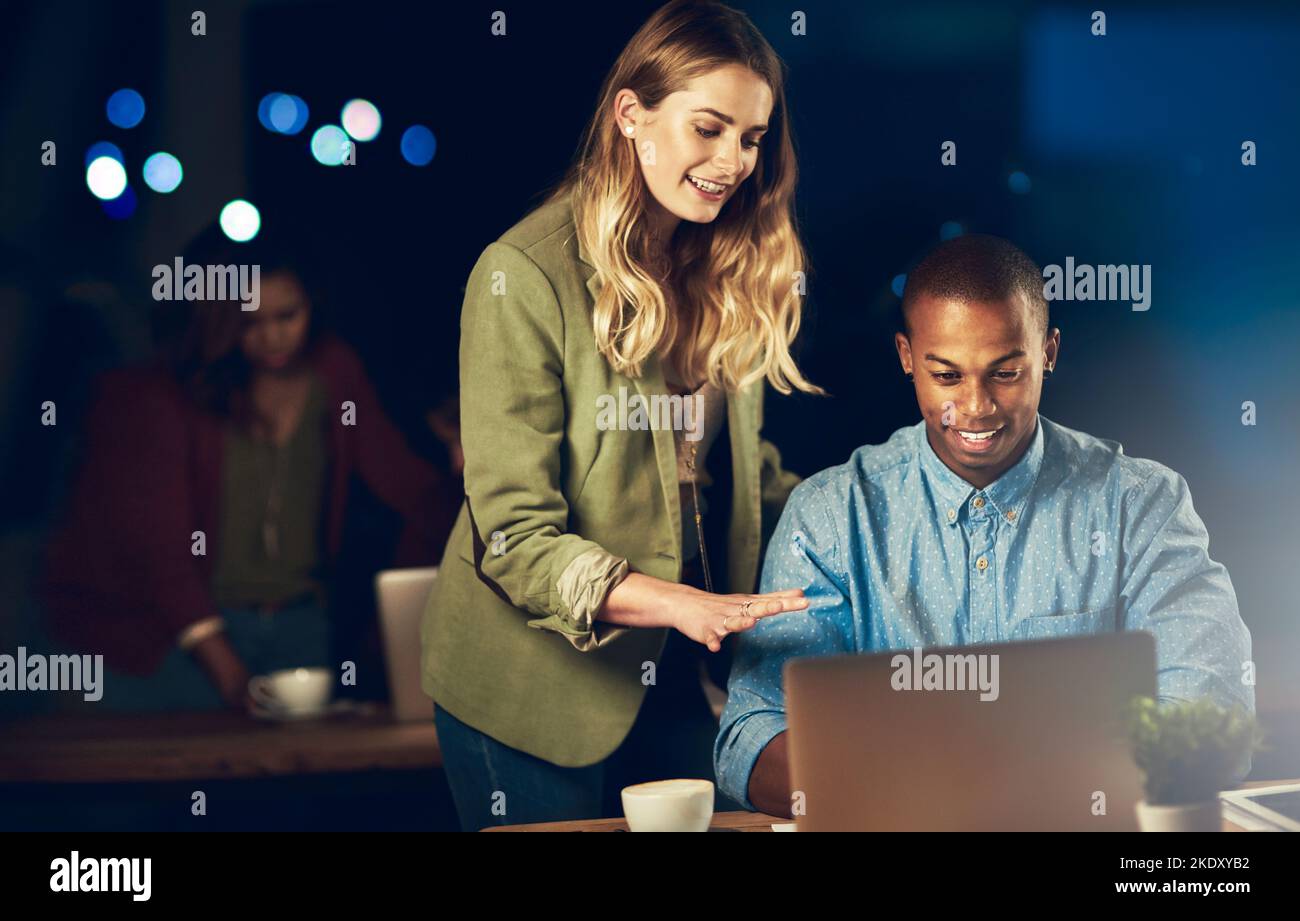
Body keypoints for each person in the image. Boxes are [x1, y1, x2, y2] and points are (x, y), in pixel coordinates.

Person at [421, 0, 822, 830]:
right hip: (528, 686)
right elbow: (514, 538)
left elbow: (741, 472)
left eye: (750, 138)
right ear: (631, 115)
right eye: (708, 129)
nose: (732, 161)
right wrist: (683, 603)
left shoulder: (729, 262)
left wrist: (874, 513)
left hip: (678, 672)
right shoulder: (519, 274)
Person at [716, 233, 1256, 817]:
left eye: (1005, 373)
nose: (975, 407)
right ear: (906, 356)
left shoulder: (1140, 504)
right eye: (946, 376)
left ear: (1048, 352)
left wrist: (1018, 786)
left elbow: (1210, 709)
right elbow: (749, 734)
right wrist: (927, 793)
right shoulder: (829, 514)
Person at [39, 224, 459, 711]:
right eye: (248, 323)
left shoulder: (333, 370)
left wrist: (482, 491)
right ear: (217, 323)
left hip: (300, 618)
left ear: (312, 306)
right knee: (192, 767)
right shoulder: (170, 394)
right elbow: (160, 550)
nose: (273, 336)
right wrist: (227, 669)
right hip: (194, 628)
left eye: (288, 315)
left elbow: (401, 481)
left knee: (297, 774)